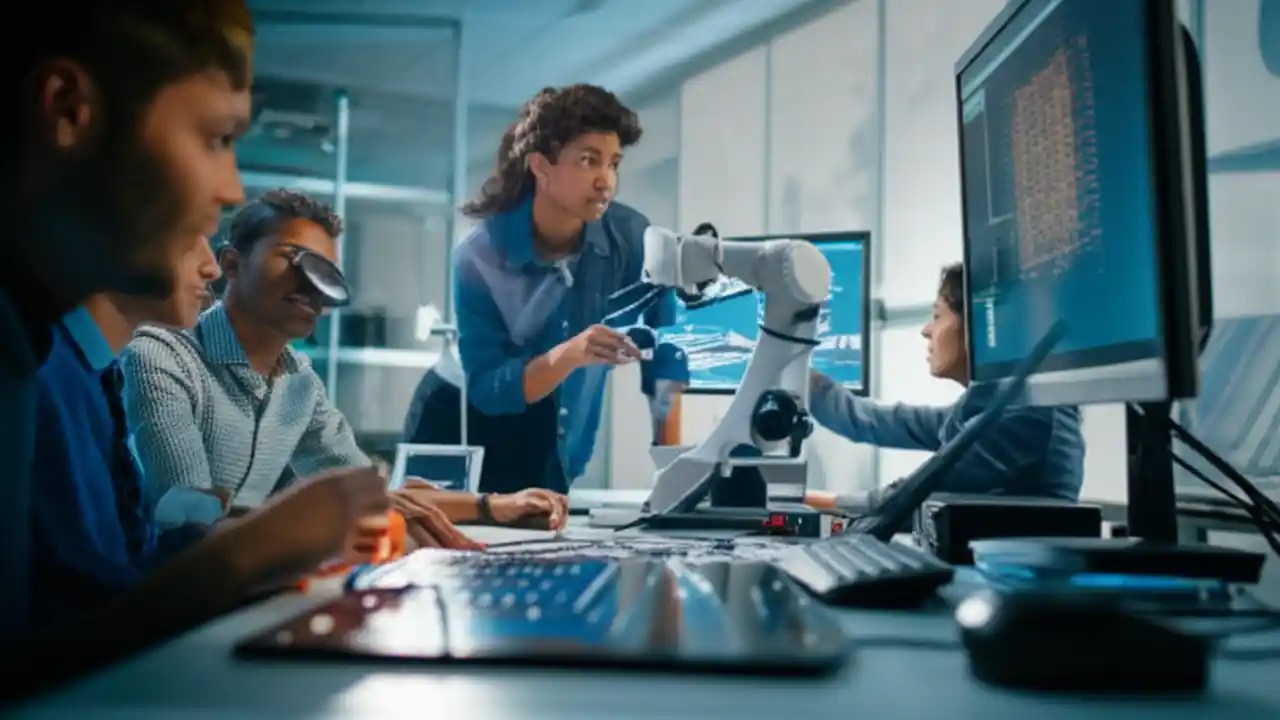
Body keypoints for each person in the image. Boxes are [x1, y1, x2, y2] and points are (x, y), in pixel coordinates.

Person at [2, 1, 390, 692]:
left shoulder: (50, 357)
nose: (232, 188)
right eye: (216, 137)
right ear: (67, 111)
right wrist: (244, 557)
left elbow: (93, 591)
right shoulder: (69, 364)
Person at [122, 190, 568, 543]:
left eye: (324, 271)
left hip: (252, 587)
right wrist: (330, 514)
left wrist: (492, 506)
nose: (312, 283)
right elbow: (189, 519)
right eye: (291, 257)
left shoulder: (299, 383)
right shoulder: (160, 356)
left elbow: (370, 492)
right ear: (232, 264)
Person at [403, 84, 675, 494]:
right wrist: (571, 353)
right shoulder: (479, 257)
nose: (606, 181)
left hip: (555, 427)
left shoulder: (632, 237)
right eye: (588, 161)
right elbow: (489, 389)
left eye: (613, 163)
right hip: (462, 417)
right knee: (448, 533)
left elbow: (667, 343)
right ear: (541, 166)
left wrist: (671, 467)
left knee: (548, 524)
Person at [31, 236, 223, 628]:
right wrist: (245, 556)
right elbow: (85, 604)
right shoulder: (44, 376)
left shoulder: (97, 370)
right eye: (190, 238)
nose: (212, 267)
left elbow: (125, 561)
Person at [806, 263, 1084, 511]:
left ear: (976, 324)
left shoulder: (1026, 413)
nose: (926, 330)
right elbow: (878, 422)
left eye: (938, 316)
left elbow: (904, 500)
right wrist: (810, 384)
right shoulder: (994, 403)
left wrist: (800, 503)